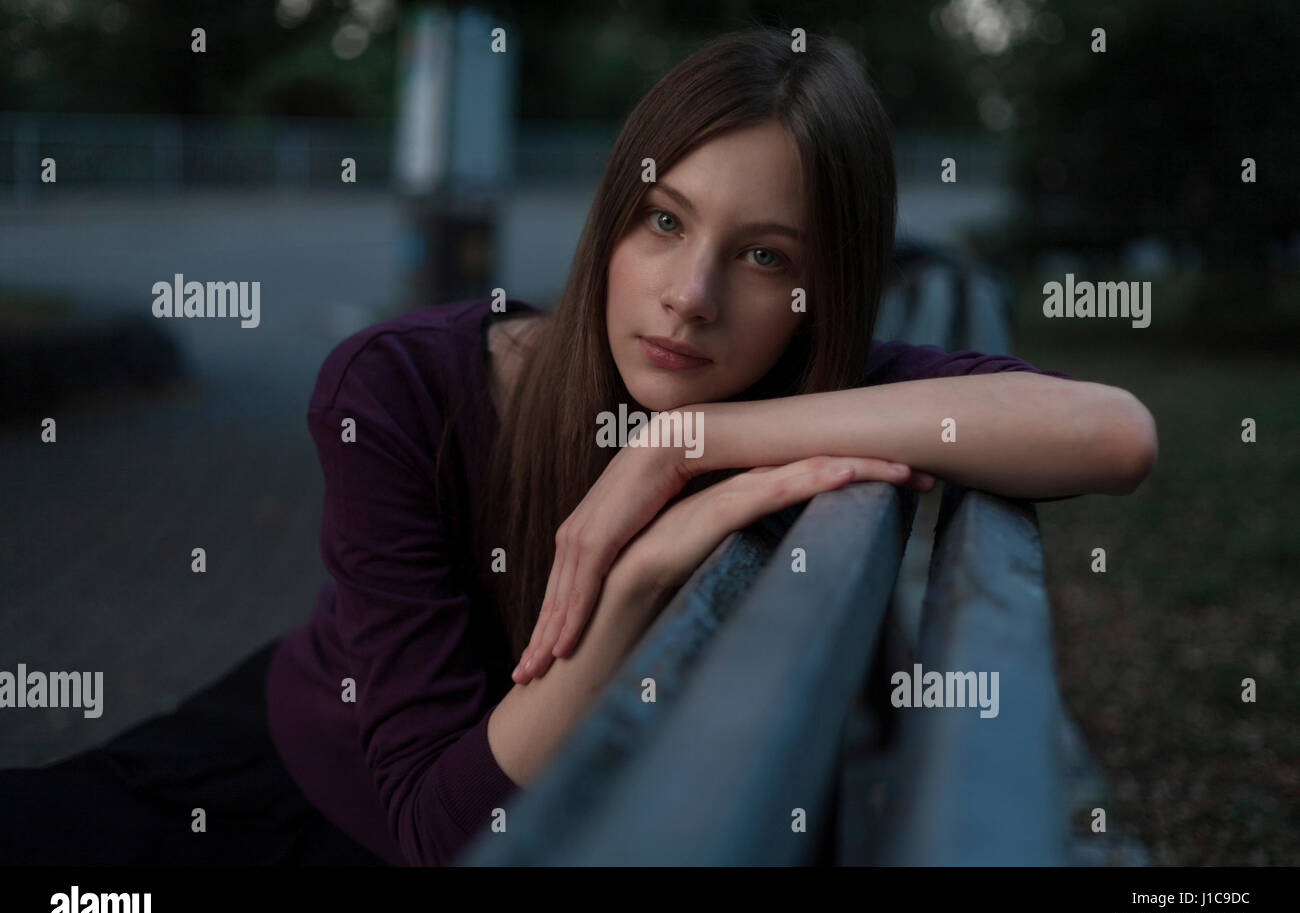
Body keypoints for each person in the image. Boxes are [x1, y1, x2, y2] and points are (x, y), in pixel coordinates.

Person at [0, 26, 1157, 869]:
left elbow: (1110, 431)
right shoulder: (401, 384)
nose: (690, 296)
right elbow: (425, 819)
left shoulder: (807, 386)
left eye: (764, 257)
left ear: (824, 291)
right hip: (268, 792)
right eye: (665, 222)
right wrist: (632, 588)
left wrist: (688, 443)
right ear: (613, 218)